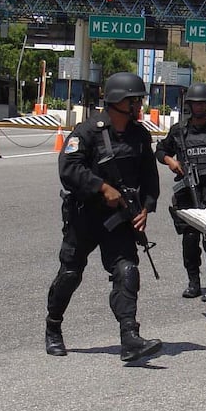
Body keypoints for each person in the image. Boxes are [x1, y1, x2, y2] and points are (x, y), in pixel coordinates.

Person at [44, 71, 164, 364]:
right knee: (70, 274)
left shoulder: (139, 136)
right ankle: (53, 327)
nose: (140, 106)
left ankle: (129, 338)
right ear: (118, 102)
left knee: (126, 272)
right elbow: (68, 168)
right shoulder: (88, 131)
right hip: (85, 217)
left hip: (120, 219)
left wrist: (145, 208)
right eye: (135, 101)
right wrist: (101, 186)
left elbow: (150, 178)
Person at [156, 82, 206, 302]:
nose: (198, 108)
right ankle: (193, 282)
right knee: (189, 240)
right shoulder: (179, 131)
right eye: (195, 104)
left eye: (202, 104)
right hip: (188, 193)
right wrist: (170, 161)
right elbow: (160, 150)